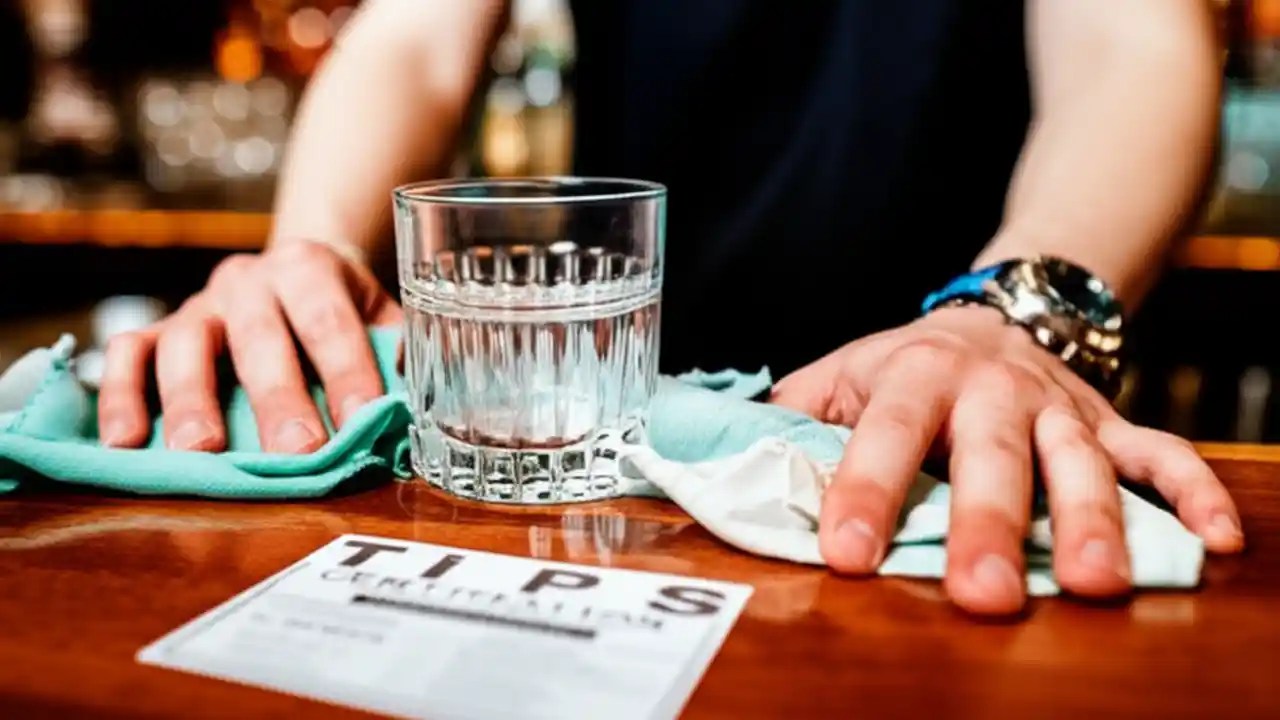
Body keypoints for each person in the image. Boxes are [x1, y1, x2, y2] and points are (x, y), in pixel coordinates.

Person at [97, 0, 1244, 615]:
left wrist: (1004, 313)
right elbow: (413, 33)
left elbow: (1134, 38)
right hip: (643, 462)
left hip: (960, 424)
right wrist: (310, 253)